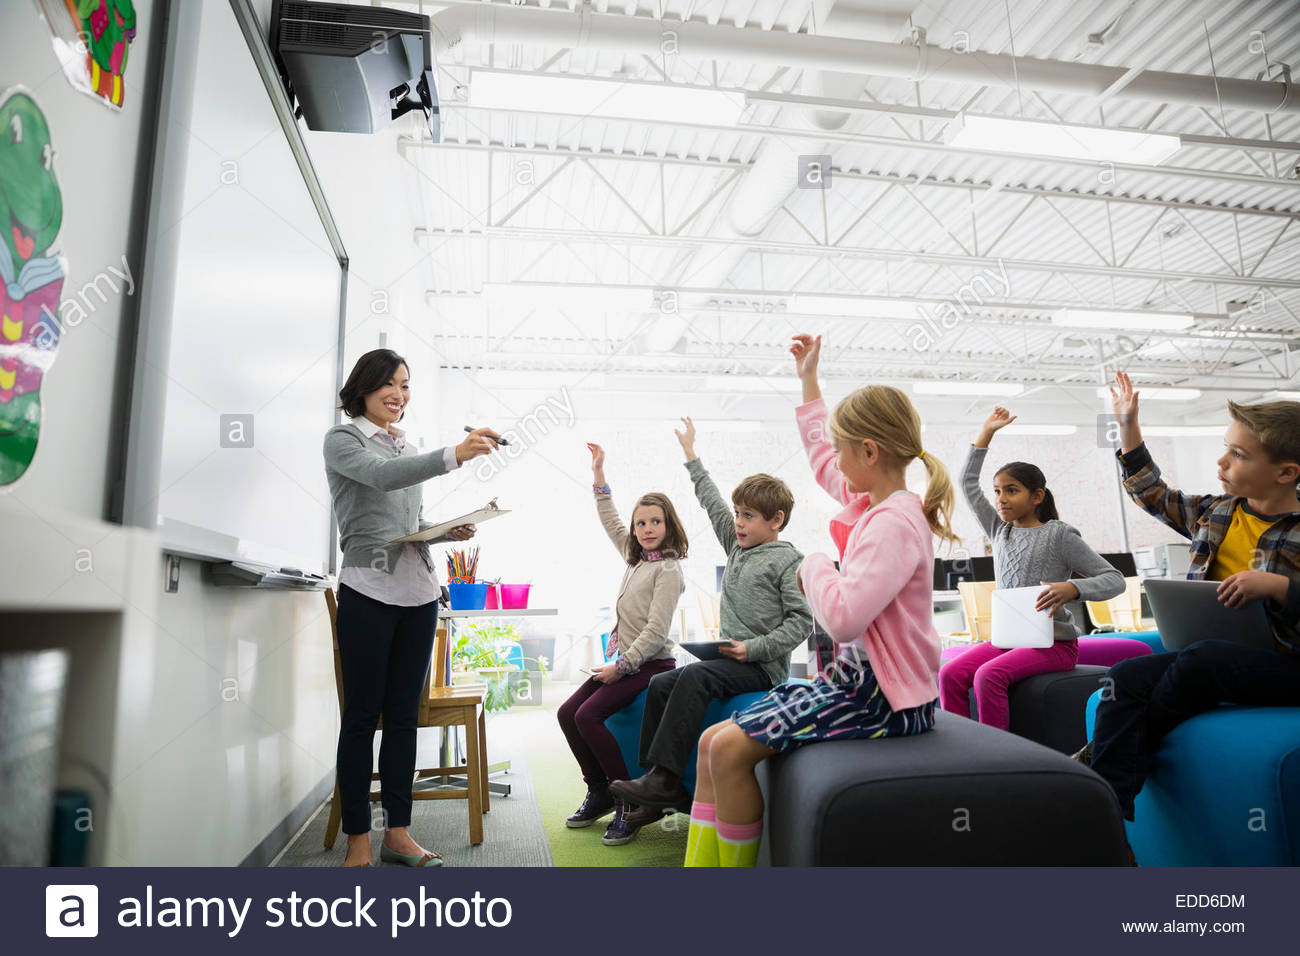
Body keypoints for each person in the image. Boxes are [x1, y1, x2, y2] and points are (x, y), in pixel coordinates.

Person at [683, 333, 957, 867]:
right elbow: (822, 459)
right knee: (710, 742)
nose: (835, 461)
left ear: (870, 452)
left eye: (845, 448)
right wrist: (808, 381)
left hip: (882, 699)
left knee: (730, 750)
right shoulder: (874, 500)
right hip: (852, 683)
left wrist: (812, 564)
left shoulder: (894, 523)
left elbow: (844, 619)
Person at [1077, 372, 1300, 845]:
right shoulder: (1218, 511)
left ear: (1287, 472)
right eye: (1226, 447)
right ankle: (1105, 819)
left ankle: (1099, 756)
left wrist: (1280, 587)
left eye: (1238, 455)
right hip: (1221, 655)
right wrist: (1128, 427)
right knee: (1123, 678)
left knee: (1200, 660)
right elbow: (1151, 492)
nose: (1222, 461)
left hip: (1287, 665)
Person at [323, 348, 500, 867]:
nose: (399, 395)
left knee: (404, 718)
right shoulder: (344, 440)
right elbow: (380, 478)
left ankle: (397, 834)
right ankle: (359, 839)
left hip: (417, 595)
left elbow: (410, 516)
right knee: (361, 719)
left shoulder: (406, 446)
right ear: (365, 386)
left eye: (406, 385)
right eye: (391, 385)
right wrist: (455, 455)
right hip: (367, 591)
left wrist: (447, 531)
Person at [609, 417, 812, 824]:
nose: (738, 521)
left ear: (776, 520)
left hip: (761, 668)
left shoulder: (788, 560)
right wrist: (690, 455)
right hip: (732, 659)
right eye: (738, 513)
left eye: (749, 515)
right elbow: (711, 500)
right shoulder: (737, 546)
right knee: (660, 682)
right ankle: (654, 780)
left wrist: (752, 647)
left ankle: (665, 781)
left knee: (694, 678)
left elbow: (801, 622)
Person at [939, 406, 1124, 728]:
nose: (1001, 499)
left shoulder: (1060, 535)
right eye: (998, 491)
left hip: (1055, 645)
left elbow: (1115, 579)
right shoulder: (1000, 531)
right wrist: (987, 433)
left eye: (1011, 490)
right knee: (950, 673)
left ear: (1036, 496)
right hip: (1008, 639)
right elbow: (967, 482)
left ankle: (1001, 756)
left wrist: (1073, 588)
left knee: (988, 676)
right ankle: (964, 749)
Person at [556, 442, 688, 846]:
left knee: (588, 716)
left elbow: (655, 630)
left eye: (655, 522)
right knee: (566, 712)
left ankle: (628, 803)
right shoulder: (635, 560)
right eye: (641, 523)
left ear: (669, 527)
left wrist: (622, 666)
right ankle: (598, 791)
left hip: (650, 665)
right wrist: (599, 476)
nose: (647, 529)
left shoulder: (668, 571)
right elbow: (610, 520)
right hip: (625, 661)